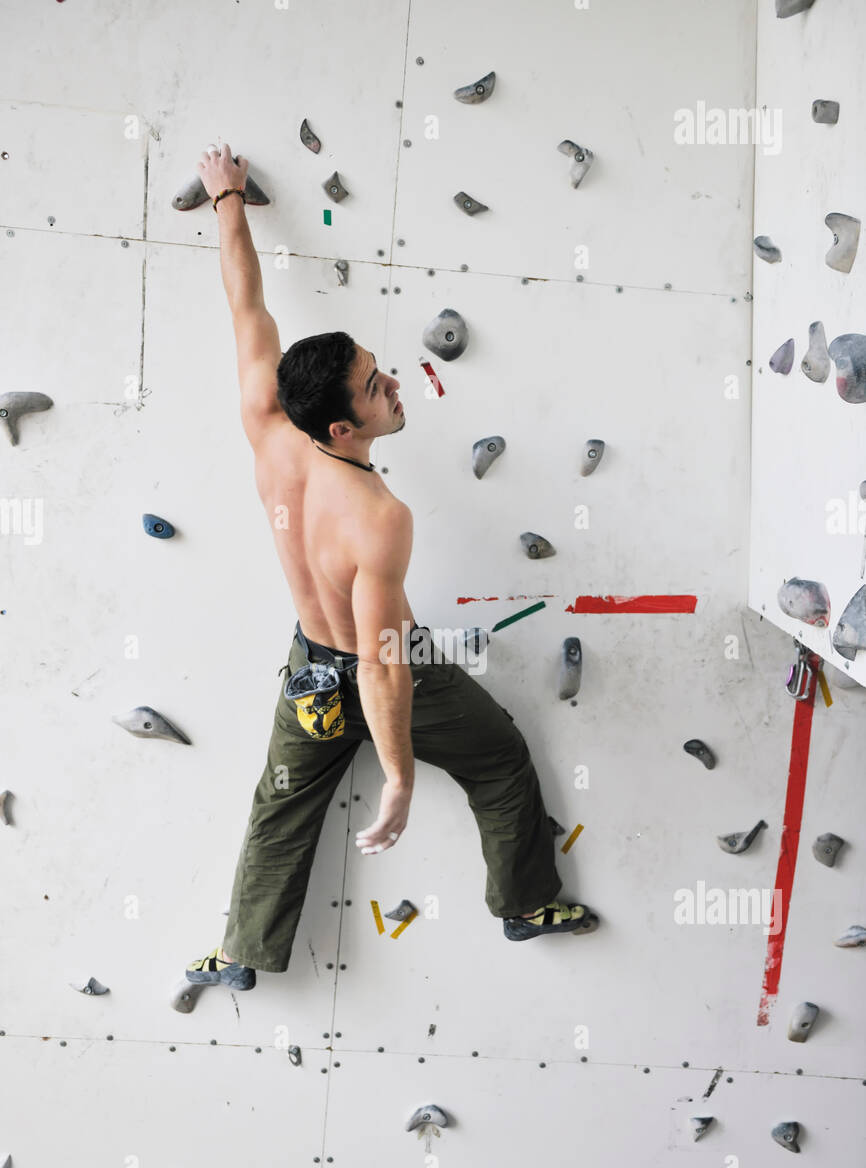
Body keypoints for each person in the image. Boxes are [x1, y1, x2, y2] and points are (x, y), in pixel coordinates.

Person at [185, 143, 599, 993]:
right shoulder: (379, 518)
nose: (395, 385)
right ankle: (525, 902)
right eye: (376, 388)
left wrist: (229, 201)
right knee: (497, 760)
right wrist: (401, 778)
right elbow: (380, 664)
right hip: (381, 666)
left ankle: (239, 954)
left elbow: (246, 306)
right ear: (341, 429)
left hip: (310, 667)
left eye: (378, 371)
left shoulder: (268, 422)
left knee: (280, 807)